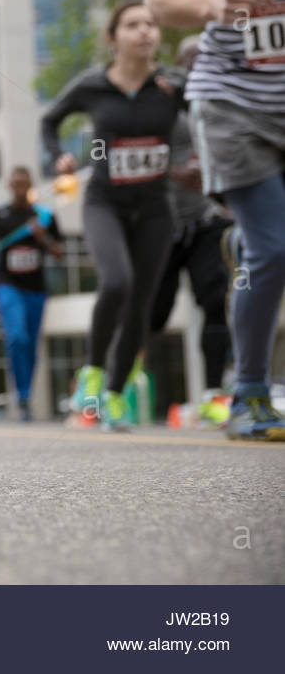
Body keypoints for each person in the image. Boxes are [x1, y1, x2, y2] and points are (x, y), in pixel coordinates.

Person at [144, 0, 285, 440]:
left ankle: (248, 254)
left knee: (267, 247)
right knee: (277, 246)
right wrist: (214, 4)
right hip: (234, 99)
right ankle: (250, 392)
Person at [41, 1, 183, 432]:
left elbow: (208, 124)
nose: (145, 32)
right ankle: (92, 372)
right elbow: (50, 121)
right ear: (113, 37)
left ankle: (117, 396)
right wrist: (58, 156)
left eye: (151, 24)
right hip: (105, 202)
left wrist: (194, 163)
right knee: (117, 282)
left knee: (141, 302)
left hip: (157, 206)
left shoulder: (173, 85)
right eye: (133, 25)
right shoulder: (93, 86)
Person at [140, 36, 235, 426]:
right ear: (178, 64)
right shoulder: (160, 102)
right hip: (164, 223)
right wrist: (174, 173)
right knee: (154, 314)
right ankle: (121, 386)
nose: (198, 63)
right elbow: (131, 150)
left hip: (208, 221)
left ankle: (213, 394)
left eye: (205, 57)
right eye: (191, 57)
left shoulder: (223, 103)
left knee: (214, 302)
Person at [0, 168, 65, 422]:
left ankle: (25, 396)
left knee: (31, 343)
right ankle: (21, 393)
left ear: (30, 186)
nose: (19, 188)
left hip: (36, 289)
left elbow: (60, 251)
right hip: (6, 285)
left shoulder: (44, 217)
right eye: (14, 184)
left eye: (23, 184)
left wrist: (43, 238)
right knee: (16, 336)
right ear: (8, 185)